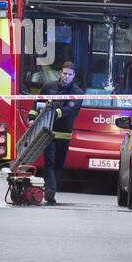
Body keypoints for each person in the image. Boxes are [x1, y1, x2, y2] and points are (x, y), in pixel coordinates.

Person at [36, 60, 83, 206]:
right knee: (49, 162)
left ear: (74, 76)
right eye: (64, 73)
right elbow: (37, 104)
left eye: (70, 74)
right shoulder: (48, 87)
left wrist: (55, 112)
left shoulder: (78, 93)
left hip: (64, 134)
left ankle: (51, 189)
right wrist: (32, 117)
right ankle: (50, 191)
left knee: (58, 164)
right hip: (48, 132)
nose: (66, 76)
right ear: (60, 73)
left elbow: (71, 111)